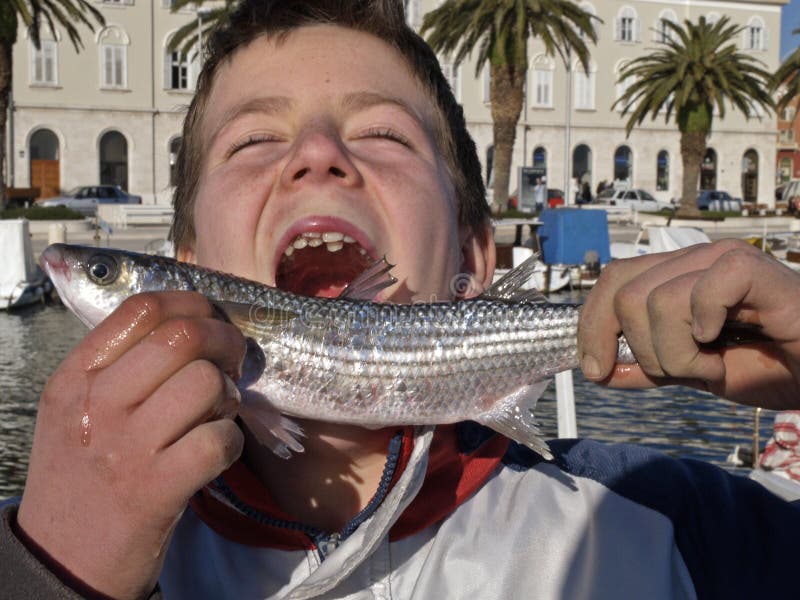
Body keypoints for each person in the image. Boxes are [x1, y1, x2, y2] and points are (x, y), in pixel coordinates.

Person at [2, 2, 799, 599]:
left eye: (383, 135)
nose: (317, 154)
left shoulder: (670, 524)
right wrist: (52, 567)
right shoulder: (50, 529)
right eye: (253, 141)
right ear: (187, 263)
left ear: (476, 260)